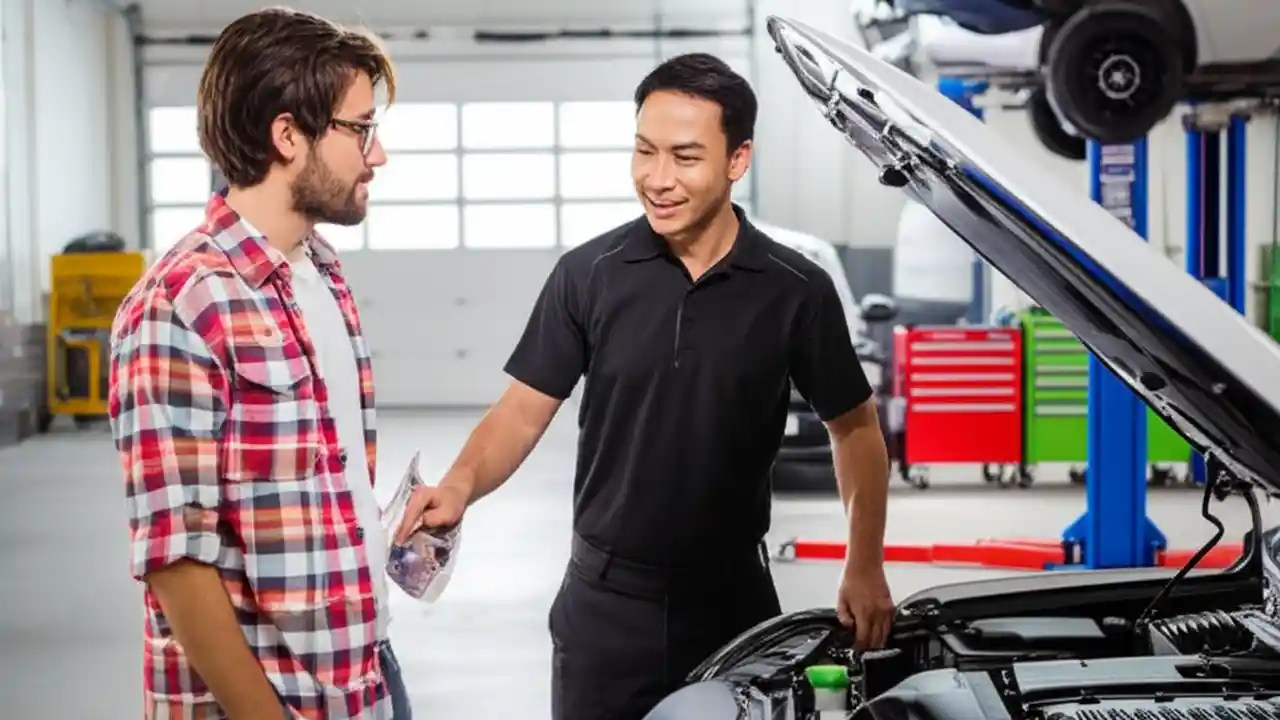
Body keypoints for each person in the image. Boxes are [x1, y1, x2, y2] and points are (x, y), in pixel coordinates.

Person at [395, 52, 894, 719]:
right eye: (644, 152)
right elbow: (520, 410)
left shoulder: (795, 291)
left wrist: (864, 563)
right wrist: (458, 485)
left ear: (737, 160)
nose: (658, 179)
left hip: (733, 605)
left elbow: (855, 428)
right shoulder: (590, 275)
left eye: (685, 157)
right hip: (605, 606)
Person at [108, 8, 411, 719]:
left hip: (361, 675)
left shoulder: (323, 274)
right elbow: (177, 561)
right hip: (269, 702)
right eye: (361, 128)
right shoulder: (179, 304)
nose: (379, 154)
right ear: (287, 134)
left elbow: (317, 487)